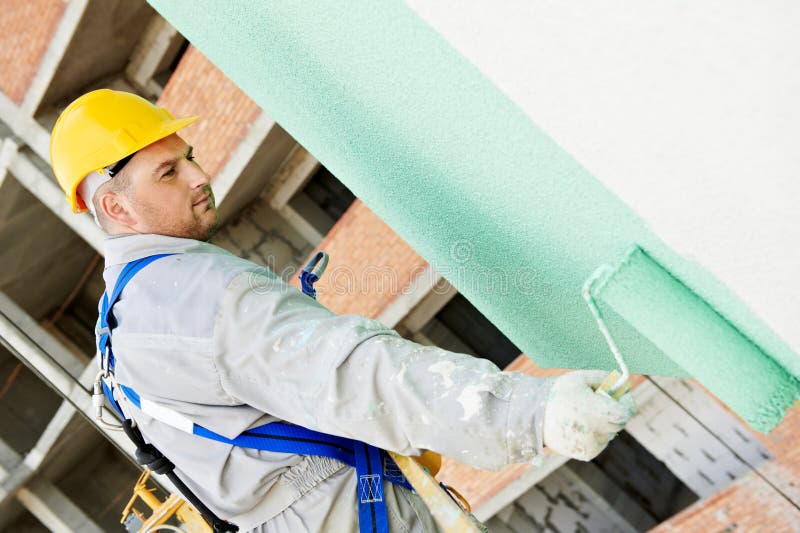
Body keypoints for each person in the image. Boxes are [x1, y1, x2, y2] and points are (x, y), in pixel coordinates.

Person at [50, 89, 636, 533]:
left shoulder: (120, 325)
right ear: (116, 208)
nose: (202, 178)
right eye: (170, 172)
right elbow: (353, 374)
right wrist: (529, 412)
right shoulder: (193, 293)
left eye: (191, 157)